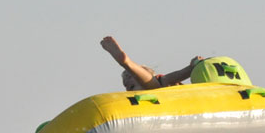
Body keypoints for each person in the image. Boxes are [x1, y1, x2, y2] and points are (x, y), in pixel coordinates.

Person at [100, 35, 252, 90]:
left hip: (159, 92)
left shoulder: (159, 83)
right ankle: (127, 64)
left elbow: (175, 76)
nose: (127, 83)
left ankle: (127, 63)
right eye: (126, 85)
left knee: (153, 84)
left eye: (130, 77)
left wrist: (191, 67)